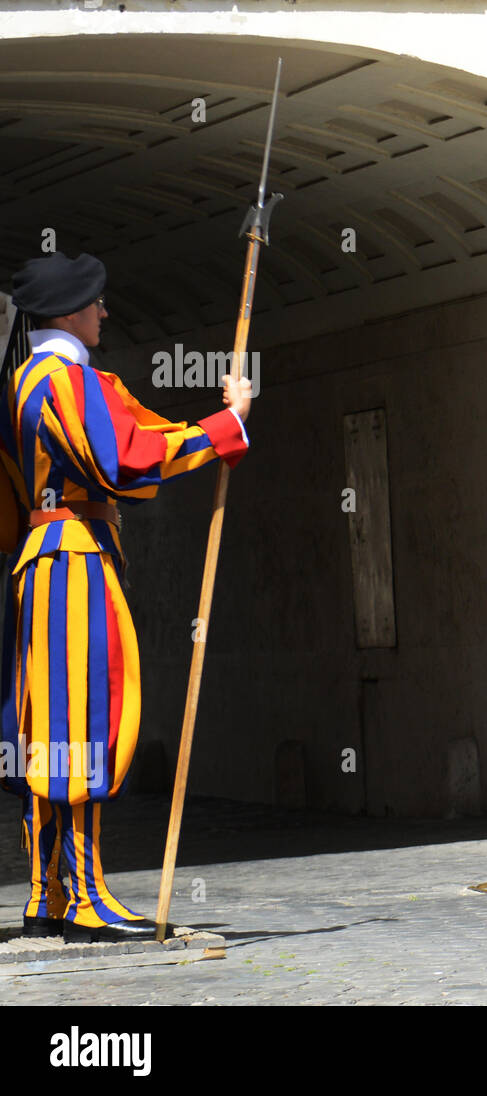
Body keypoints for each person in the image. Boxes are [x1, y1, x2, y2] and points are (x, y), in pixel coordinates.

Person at [0, 251, 252, 940]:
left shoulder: (20, 385)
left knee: (48, 732)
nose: (105, 312)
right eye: (97, 302)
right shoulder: (69, 381)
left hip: (37, 561)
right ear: (67, 311)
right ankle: (83, 898)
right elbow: (130, 456)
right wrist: (227, 428)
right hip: (75, 562)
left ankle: (45, 895)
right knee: (85, 724)